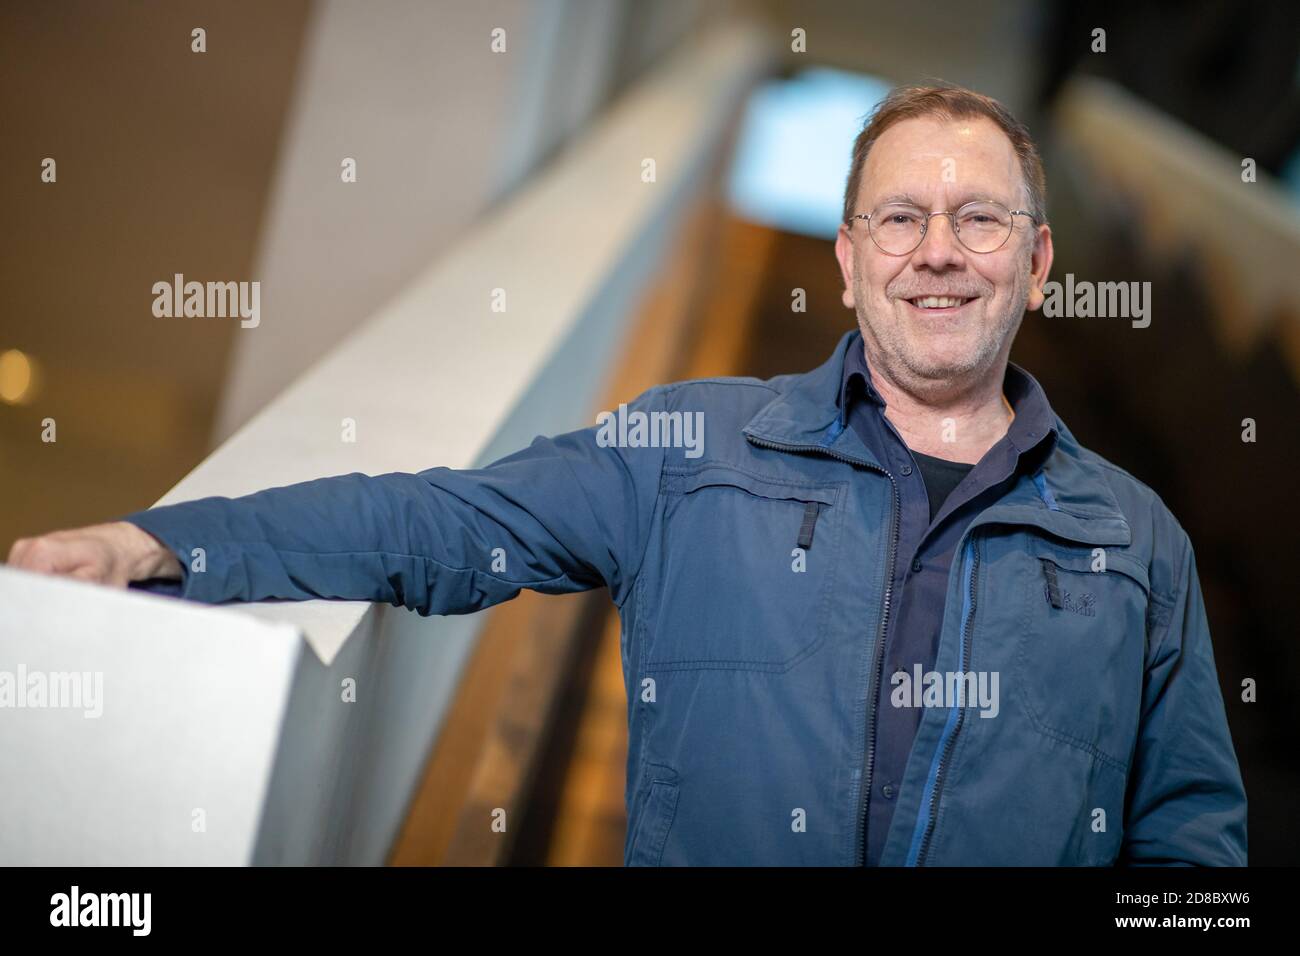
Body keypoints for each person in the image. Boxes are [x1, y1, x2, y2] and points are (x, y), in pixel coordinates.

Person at [6, 84, 1247, 866]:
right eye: (898, 218)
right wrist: (164, 541)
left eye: (978, 219)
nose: (938, 252)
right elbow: (446, 520)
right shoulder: (689, 452)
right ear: (848, 259)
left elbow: (1190, 840)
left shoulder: (1135, 541)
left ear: (1035, 265)